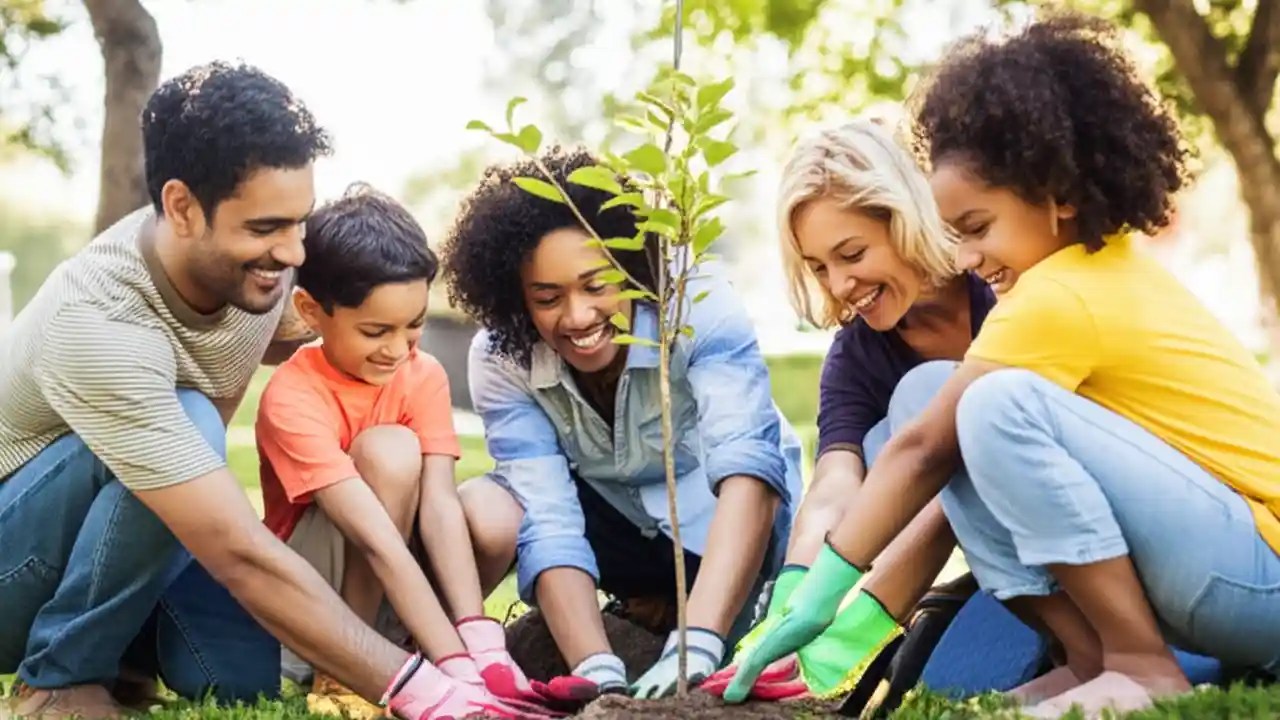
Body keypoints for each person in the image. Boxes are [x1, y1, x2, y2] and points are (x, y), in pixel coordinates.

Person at [722, 15, 1280, 719]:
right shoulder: (1062, 280)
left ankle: (1140, 665)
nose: (964, 258)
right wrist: (810, 580)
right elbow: (883, 455)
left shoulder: (1058, 294)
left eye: (977, 229)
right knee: (935, 394)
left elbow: (925, 449)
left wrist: (830, 596)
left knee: (984, 408)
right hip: (1212, 567)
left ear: (1061, 198)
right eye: (956, 234)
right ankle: (1091, 660)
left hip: (1261, 575)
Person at [0, 61, 526, 720]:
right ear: (182, 207)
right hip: (14, 567)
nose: (293, 251)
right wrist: (431, 694)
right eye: (266, 228)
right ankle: (59, 678)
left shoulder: (258, 280)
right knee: (191, 422)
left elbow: (331, 329)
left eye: (299, 222)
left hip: (151, 555)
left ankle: (128, 655)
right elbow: (238, 552)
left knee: (241, 675)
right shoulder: (102, 323)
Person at [440, 146, 805, 702]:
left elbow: (748, 468)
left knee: (716, 667)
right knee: (488, 505)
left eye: (596, 285)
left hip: (727, 526)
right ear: (518, 300)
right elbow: (546, 510)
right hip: (617, 530)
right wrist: (594, 665)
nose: (578, 316)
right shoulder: (500, 355)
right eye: (548, 298)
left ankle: (692, 615)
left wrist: (700, 640)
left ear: (632, 271)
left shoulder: (695, 302)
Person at [701, 118, 1006, 701]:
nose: (839, 284)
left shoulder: (995, 288)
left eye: (851, 253)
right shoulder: (858, 351)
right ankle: (841, 638)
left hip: (1081, 514)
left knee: (933, 414)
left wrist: (852, 613)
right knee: (883, 442)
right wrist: (793, 597)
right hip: (996, 543)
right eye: (819, 267)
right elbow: (836, 483)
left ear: (903, 220)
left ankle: (865, 623)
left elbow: (934, 460)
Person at [256, 184, 545, 717]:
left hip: (398, 579)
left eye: (413, 325)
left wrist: (476, 641)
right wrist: (456, 663)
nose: (398, 348)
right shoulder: (292, 395)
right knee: (389, 452)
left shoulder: (422, 374)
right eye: (375, 330)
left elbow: (437, 505)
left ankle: (420, 650)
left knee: (496, 514)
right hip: (318, 597)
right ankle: (345, 671)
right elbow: (373, 541)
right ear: (311, 310)